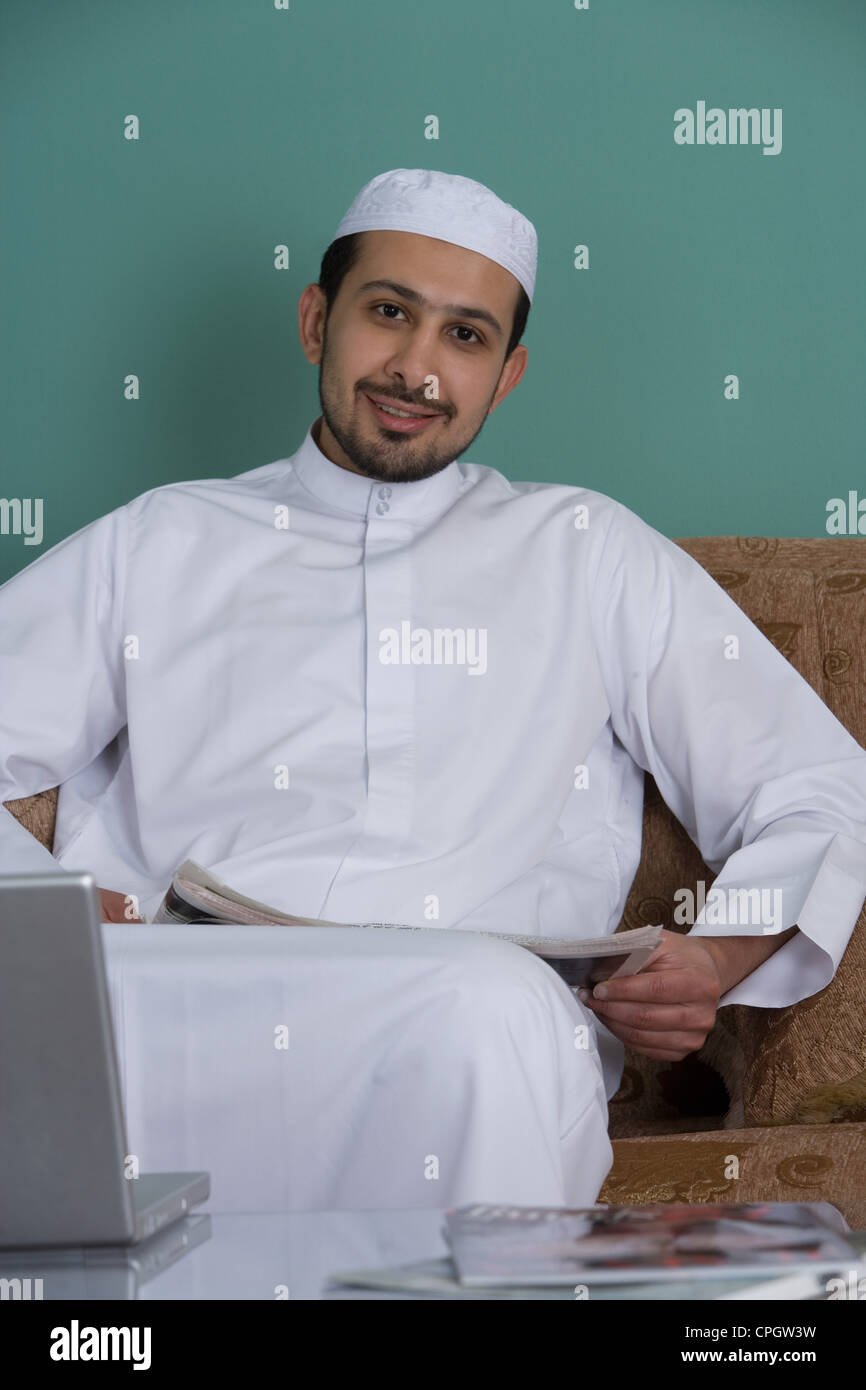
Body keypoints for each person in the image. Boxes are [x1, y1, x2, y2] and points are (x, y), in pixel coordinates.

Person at [2, 168, 865, 1211]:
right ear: (317, 319)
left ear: (504, 376)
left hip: (463, 1008)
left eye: (464, 336)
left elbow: (819, 787)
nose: (415, 368)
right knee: (56, 1018)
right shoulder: (158, 540)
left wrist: (718, 957)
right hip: (183, 1000)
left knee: (482, 1010)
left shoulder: (588, 553)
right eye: (389, 313)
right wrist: (40, 906)